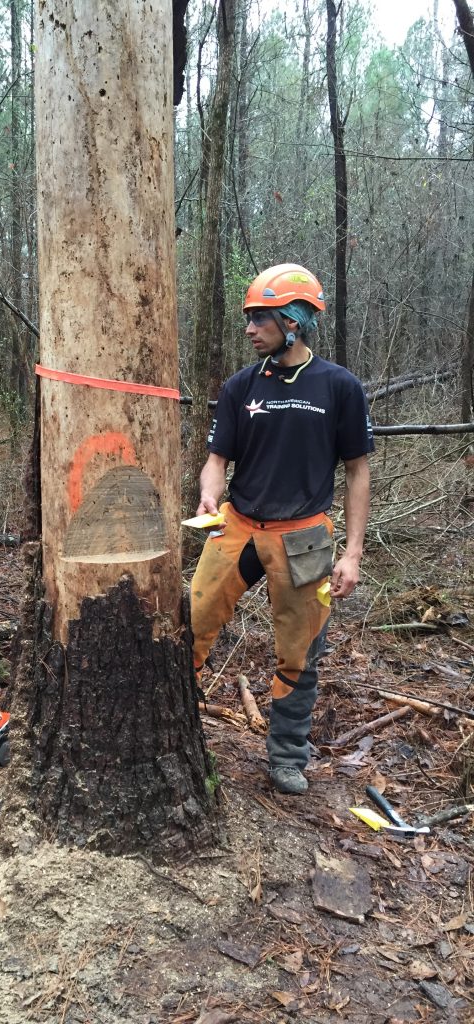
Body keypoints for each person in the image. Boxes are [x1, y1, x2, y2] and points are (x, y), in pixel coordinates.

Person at [190, 263, 373, 795]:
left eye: (260, 318)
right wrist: (210, 490)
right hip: (238, 528)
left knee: (300, 651)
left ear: (294, 321)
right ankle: (172, 724)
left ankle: (287, 755)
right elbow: (217, 457)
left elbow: (359, 472)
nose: (249, 328)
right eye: (248, 318)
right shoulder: (239, 386)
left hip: (304, 538)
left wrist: (354, 553)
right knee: (191, 624)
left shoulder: (339, 387)